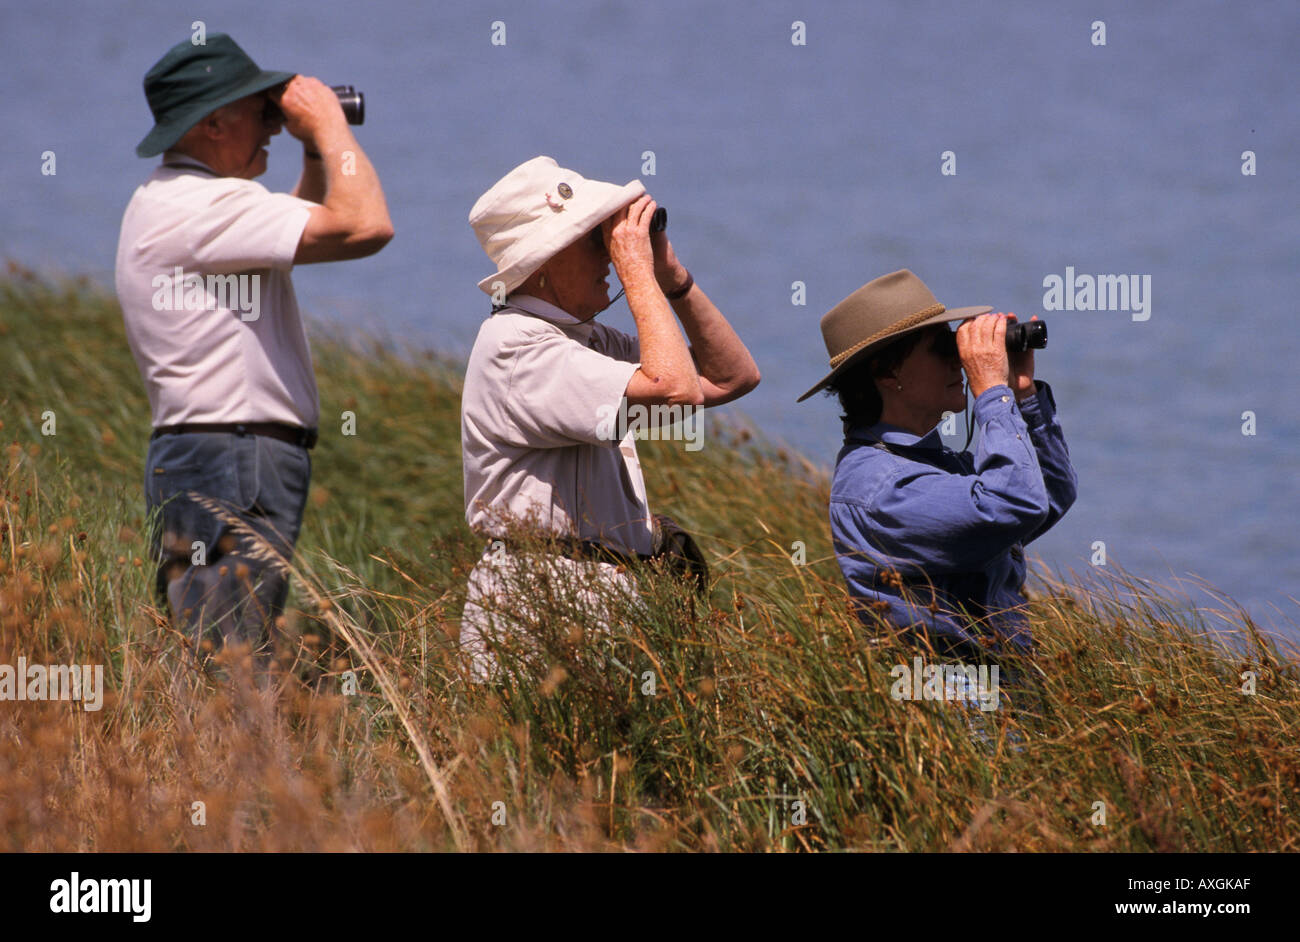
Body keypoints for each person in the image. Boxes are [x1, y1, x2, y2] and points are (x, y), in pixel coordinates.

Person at [115, 33, 393, 668]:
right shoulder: (206, 205)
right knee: (233, 663)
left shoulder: (174, 201)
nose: (270, 123)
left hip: (208, 454)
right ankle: (231, 769)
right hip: (232, 457)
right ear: (213, 123)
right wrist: (327, 126)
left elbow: (297, 225)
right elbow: (364, 225)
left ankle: (193, 765)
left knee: (215, 651)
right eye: (256, 109)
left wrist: (309, 152)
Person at [460, 156, 760, 679]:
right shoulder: (517, 344)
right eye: (592, 239)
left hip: (591, 598)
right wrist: (638, 272)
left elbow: (730, 376)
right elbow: (674, 390)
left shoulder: (583, 340)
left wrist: (675, 280)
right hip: (539, 606)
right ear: (544, 262)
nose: (610, 255)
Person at [798, 269, 1077, 694]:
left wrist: (1022, 395)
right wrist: (990, 393)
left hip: (1002, 705)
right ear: (887, 372)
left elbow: (1049, 495)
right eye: (942, 347)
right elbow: (1015, 503)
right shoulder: (881, 489)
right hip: (956, 719)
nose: (958, 360)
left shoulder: (932, 465)